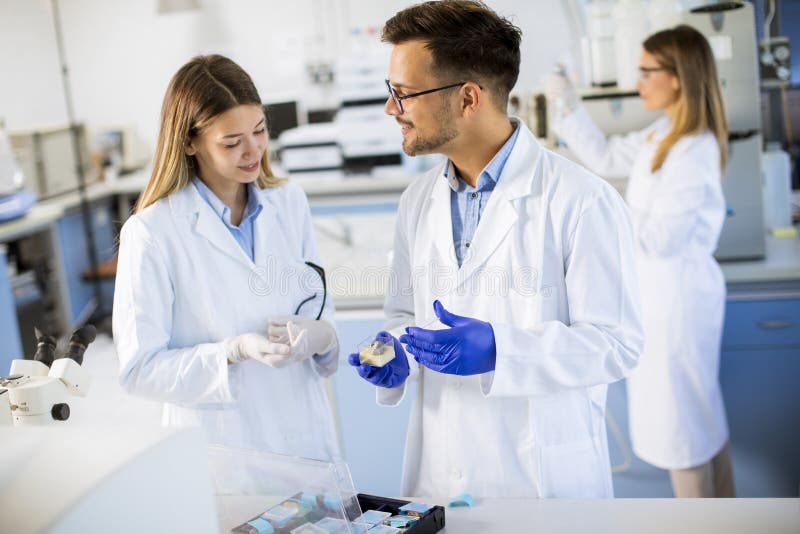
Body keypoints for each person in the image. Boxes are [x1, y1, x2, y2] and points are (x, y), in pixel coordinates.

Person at [348, 0, 643, 498]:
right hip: (440, 473)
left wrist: (502, 350)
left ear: (467, 98)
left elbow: (617, 345)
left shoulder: (581, 200)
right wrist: (397, 349)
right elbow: (403, 311)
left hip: (539, 482)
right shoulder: (418, 201)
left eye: (403, 94)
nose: (390, 109)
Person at [113, 55, 340, 463]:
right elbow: (138, 369)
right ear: (188, 142)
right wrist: (230, 352)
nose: (252, 151)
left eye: (259, 131)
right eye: (232, 142)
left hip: (303, 436)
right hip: (223, 455)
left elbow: (318, 306)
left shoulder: (288, 203)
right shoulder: (152, 233)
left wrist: (324, 336)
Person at [546, 25, 734, 498]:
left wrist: (600, 212)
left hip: (677, 306)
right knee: (699, 421)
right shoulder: (664, 133)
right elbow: (606, 156)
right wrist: (566, 105)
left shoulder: (694, 148)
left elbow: (660, 239)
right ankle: (728, 519)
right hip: (663, 298)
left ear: (678, 77)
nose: (639, 82)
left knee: (684, 434)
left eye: (648, 72)